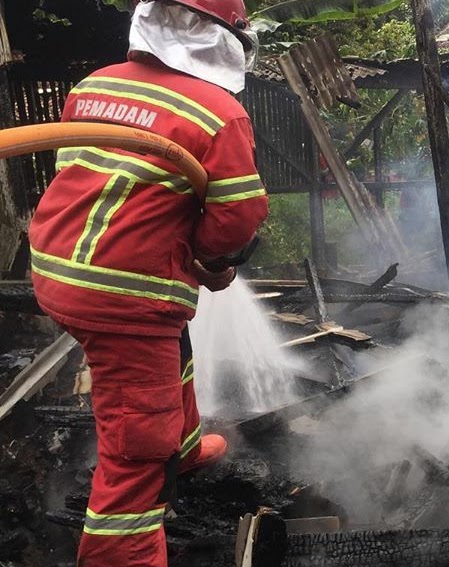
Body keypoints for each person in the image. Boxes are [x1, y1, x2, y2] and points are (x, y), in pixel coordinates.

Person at [26, 1, 268, 564]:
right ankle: (123, 551)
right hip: (123, 294)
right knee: (137, 443)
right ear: (224, 41)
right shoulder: (218, 112)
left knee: (172, 349)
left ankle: (181, 449)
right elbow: (238, 213)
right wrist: (211, 258)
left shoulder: (96, 84)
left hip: (59, 268)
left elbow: (85, 167)